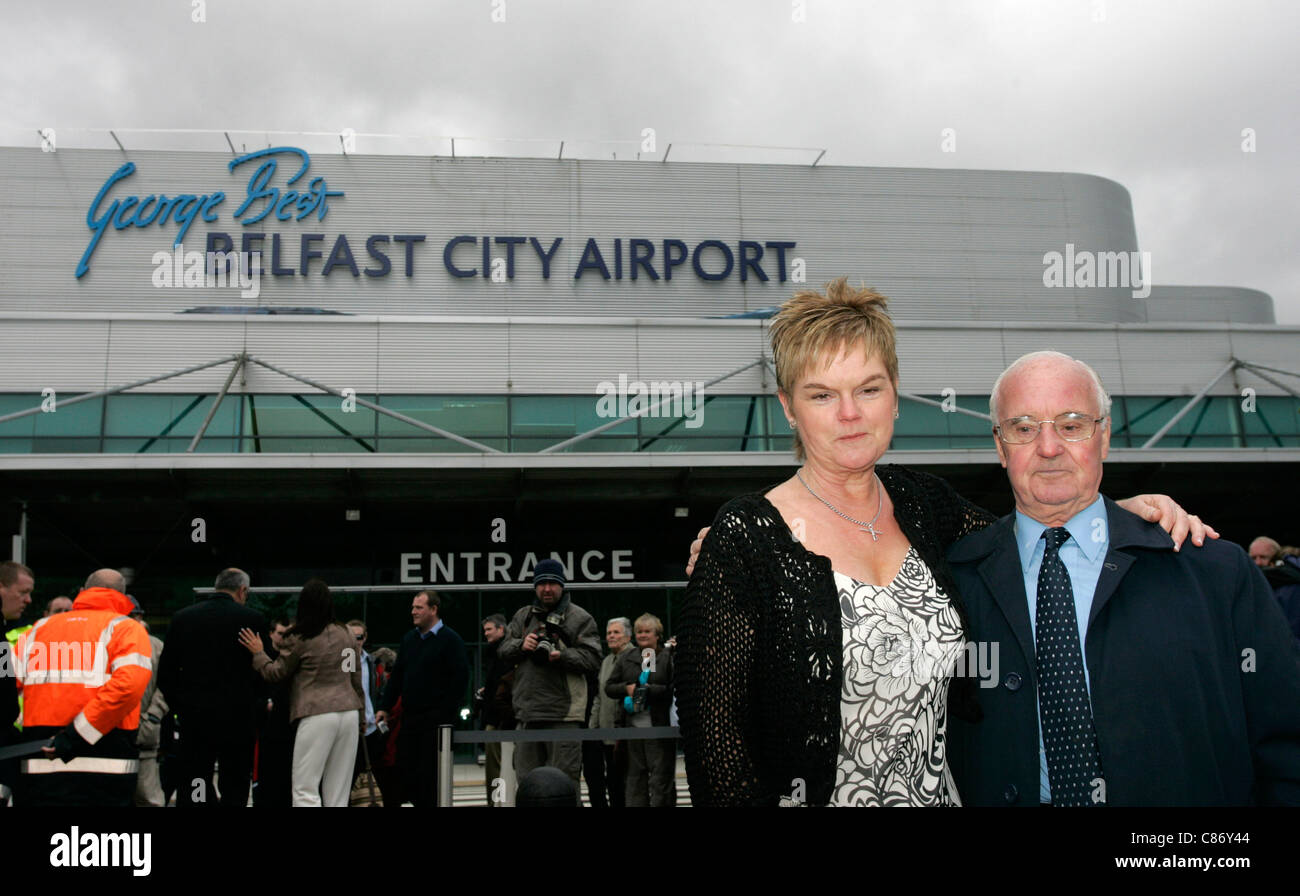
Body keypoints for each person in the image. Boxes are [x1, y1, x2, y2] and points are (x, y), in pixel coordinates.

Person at [677, 278, 1214, 807]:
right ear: (789, 407)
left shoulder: (924, 504)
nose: (850, 413)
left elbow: (1023, 537)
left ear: (894, 396)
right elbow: (716, 746)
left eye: (869, 389)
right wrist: (722, 547)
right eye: (822, 395)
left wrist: (1116, 514)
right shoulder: (747, 537)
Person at [946, 351, 1300, 806]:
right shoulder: (950, 583)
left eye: (1072, 425)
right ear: (1000, 445)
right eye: (1024, 428)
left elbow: (1286, 746)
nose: (1049, 447)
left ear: (1105, 436)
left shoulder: (1216, 573)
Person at [13, 569, 152, 806]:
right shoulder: (127, 629)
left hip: (41, 764)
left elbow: (5, 685)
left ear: (81, 593)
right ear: (124, 598)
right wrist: (76, 735)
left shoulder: (36, 630)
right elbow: (127, 687)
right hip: (106, 767)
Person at [239, 580, 363, 807]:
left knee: (305, 788)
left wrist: (259, 653)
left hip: (316, 712)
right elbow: (354, 678)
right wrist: (362, 718)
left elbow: (275, 673)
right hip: (349, 712)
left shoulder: (300, 637)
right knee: (338, 792)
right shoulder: (346, 633)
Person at [157, 567, 266, 807]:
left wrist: (181, 706)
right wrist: (255, 705)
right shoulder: (252, 620)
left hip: (195, 717)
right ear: (243, 590)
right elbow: (264, 673)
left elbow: (165, 673)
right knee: (235, 782)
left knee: (195, 778)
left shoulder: (183, 618)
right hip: (239, 717)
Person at [497, 558, 602, 787]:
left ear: (562, 585)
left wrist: (561, 656)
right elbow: (503, 649)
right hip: (527, 714)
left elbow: (594, 658)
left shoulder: (580, 618)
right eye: (541, 583)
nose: (546, 588)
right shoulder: (523, 616)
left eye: (553, 583)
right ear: (535, 586)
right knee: (527, 785)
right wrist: (521, 645)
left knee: (564, 785)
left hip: (564, 716)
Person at [375, 591, 469, 807]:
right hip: (410, 723)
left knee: (430, 783)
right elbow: (397, 677)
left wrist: (444, 716)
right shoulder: (409, 639)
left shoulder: (451, 640)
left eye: (419, 607)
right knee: (406, 777)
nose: (413, 612)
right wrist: (385, 707)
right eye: (413, 607)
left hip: (435, 726)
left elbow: (459, 682)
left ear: (434, 609)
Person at [606, 613, 675, 807]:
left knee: (660, 779)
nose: (643, 635)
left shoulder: (667, 657)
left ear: (657, 634)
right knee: (635, 779)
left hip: (659, 728)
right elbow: (609, 687)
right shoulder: (627, 657)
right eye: (639, 631)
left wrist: (649, 691)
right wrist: (627, 689)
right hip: (632, 728)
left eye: (647, 631)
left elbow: (672, 689)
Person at [129, 597, 169, 807]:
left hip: (145, 730)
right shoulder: (106, 642)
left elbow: (168, 684)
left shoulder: (156, 646)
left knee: (147, 796)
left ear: (139, 617)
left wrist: (154, 715)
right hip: (113, 731)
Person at [590, 616, 632, 808]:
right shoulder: (606, 661)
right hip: (606, 733)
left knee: (628, 782)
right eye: (608, 633)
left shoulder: (638, 656)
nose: (611, 636)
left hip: (627, 733)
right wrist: (594, 728)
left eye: (616, 632)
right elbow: (599, 696)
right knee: (613, 782)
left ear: (627, 636)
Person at [253, 617, 294, 808]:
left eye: (287, 634)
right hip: (266, 728)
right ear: (271, 634)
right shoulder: (264, 657)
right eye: (280, 633)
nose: (284, 638)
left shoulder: (292, 658)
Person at [474, 613, 514, 806]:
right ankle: (499, 802)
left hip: (499, 719)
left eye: (489, 629)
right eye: (485, 630)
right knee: (500, 766)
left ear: (501, 629)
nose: (486, 634)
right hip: (498, 717)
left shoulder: (504, 653)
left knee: (496, 768)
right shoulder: (497, 652)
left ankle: (497, 802)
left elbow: (503, 686)